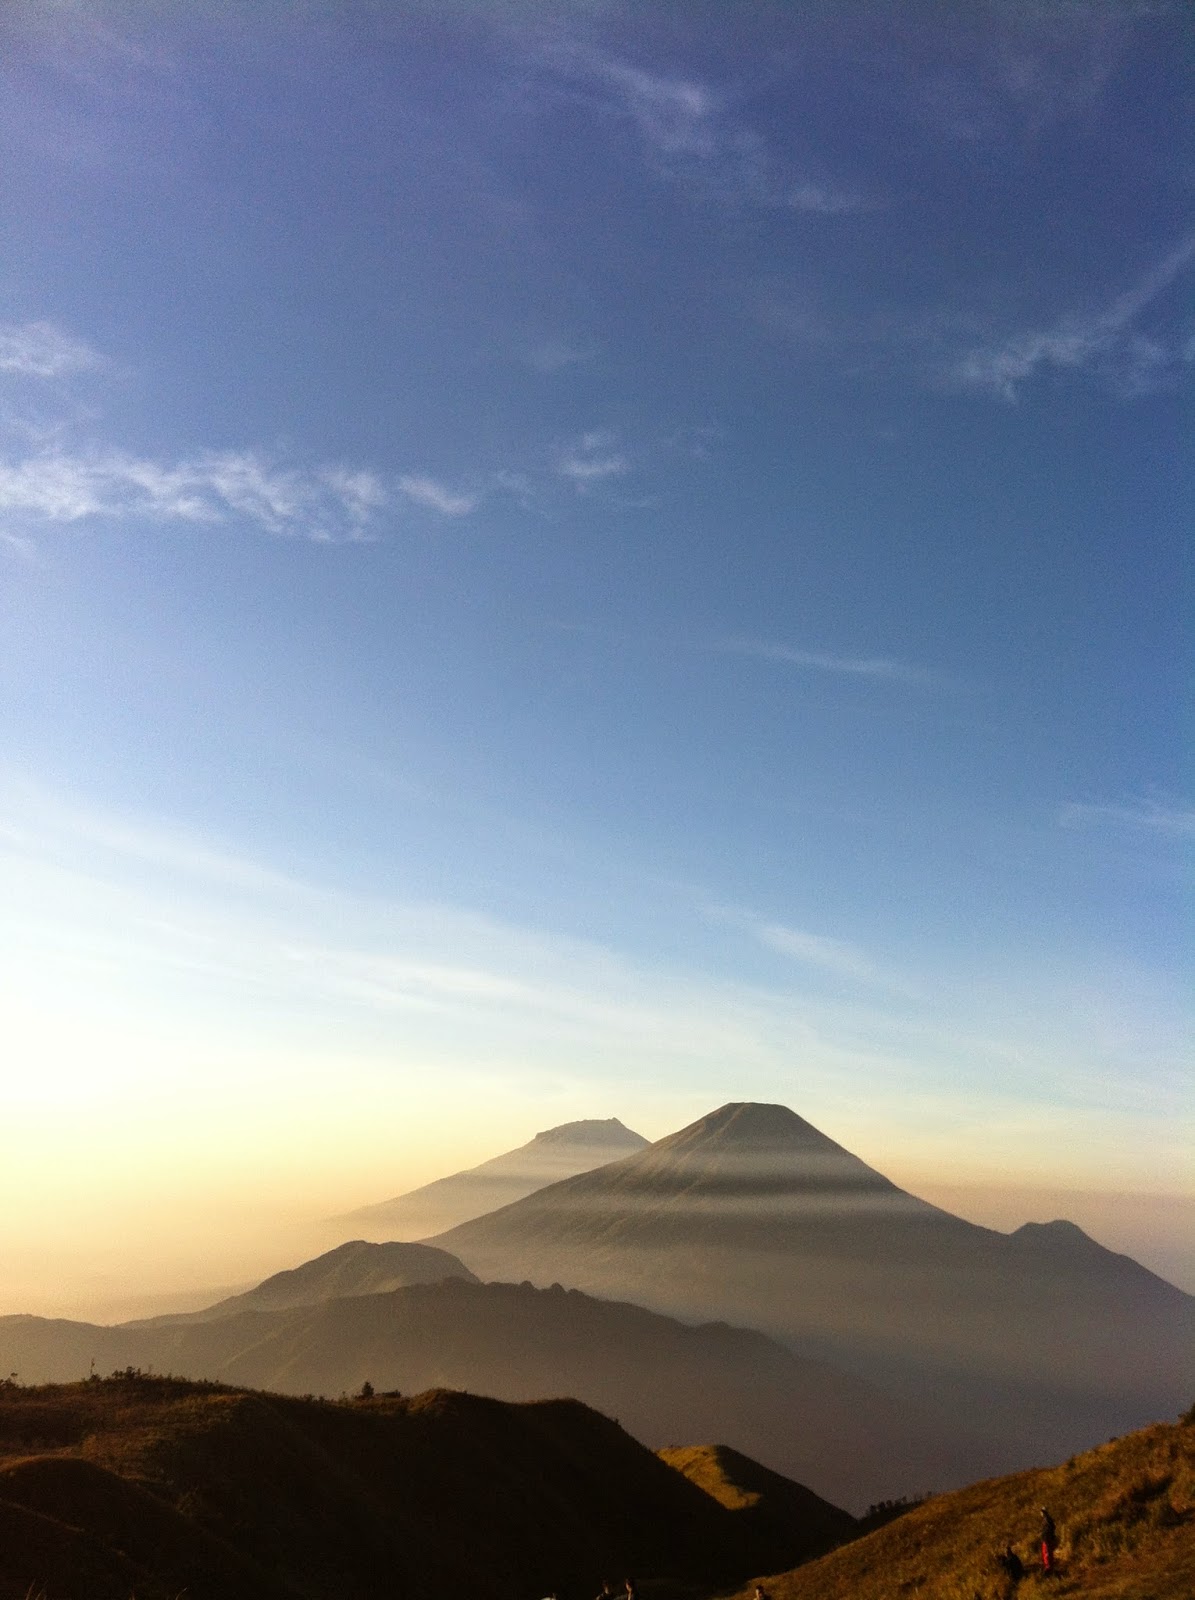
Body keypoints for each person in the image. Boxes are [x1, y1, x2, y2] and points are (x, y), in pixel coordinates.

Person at [1040, 1507, 1058, 1572]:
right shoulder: (1047, 1519)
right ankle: (1049, 1566)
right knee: (1048, 1552)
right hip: (1047, 1538)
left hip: (1047, 1539)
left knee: (1047, 1552)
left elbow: (1049, 1529)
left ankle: (1048, 1567)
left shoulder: (1047, 1520)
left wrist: (1046, 1536)